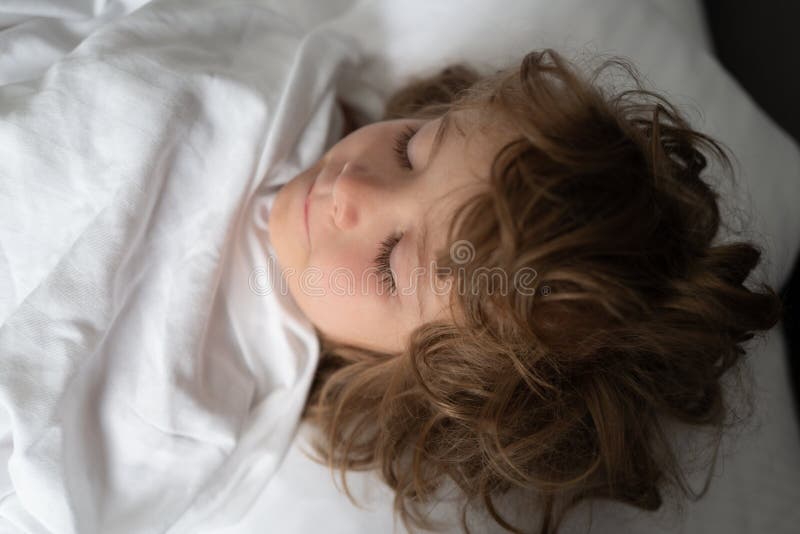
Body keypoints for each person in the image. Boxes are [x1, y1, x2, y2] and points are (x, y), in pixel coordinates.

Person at [267, 49, 782, 534]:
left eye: (390, 262)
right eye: (411, 147)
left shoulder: (224, 401)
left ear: (405, 387)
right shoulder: (302, 86)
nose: (354, 186)